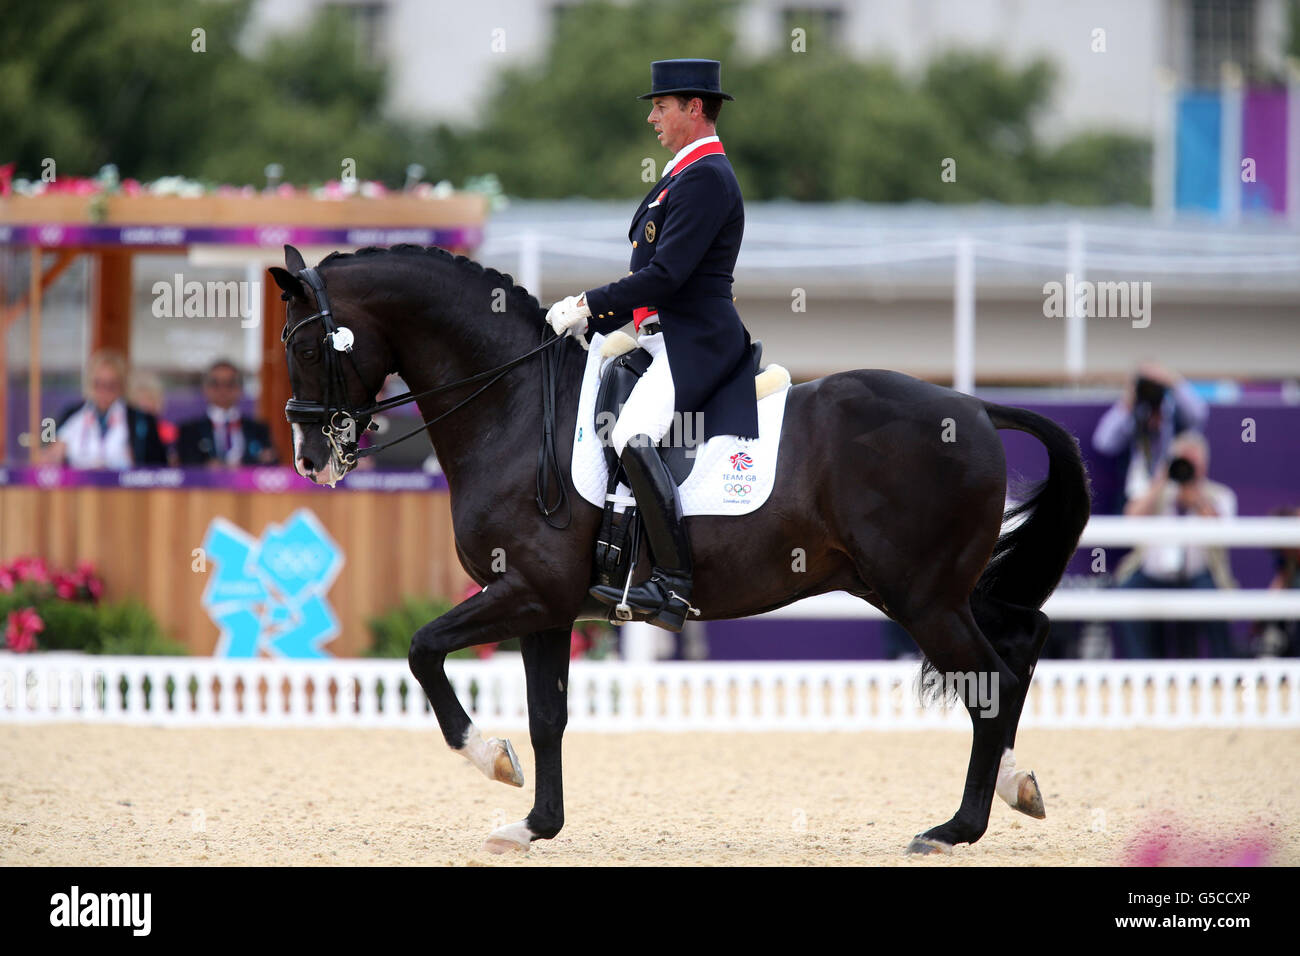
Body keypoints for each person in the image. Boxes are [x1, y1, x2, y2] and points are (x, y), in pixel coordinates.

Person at [545, 58, 759, 631]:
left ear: (694, 109)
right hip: (661, 336)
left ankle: (673, 584)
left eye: (661, 107)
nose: (652, 118)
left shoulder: (708, 176)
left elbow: (666, 277)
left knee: (632, 431)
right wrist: (607, 323)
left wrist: (588, 302)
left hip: (698, 340)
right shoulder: (682, 175)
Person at [1111, 431, 1237, 658]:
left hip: (1199, 576)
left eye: (1191, 463)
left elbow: (1223, 531)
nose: (1185, 468)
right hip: (1152, 576)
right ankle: (1140, 670)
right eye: (1181, 461)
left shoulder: (1219, 495)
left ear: (1204, 466)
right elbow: (1131, 516)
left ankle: (1225, 669)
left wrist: (1196, 499)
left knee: (1219, 603)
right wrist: (1161, 481)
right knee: (1124, 593)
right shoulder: (1158, 492)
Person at [1092, 360, 1208, 513]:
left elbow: (1199, 414)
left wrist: (1173, 380)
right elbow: (1103, 442)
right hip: (1137, 499)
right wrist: (1129, 400)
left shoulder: (1174, 412)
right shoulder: (1133, 416)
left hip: (1173, 496)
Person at [46, 349, 168, 468]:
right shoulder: (71, 415)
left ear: (122, 386)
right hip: (79, 485)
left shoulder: (141, 420)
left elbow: (158, 469)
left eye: (111, 385)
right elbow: (49, 457)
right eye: (98, 384)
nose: (103, 392)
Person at [177, 360, 277, 467]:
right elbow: (185, 465)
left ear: (240, 389)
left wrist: (242, 465)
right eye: (215, 384)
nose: (223, 390)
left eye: (230, 384)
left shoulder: (258, 429)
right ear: (205, 388)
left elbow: (272, 462)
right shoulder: (189, 431)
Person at [128, 370, 179, 466]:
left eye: (150, 398)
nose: (146, 404)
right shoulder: (126, 431)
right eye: (140, 400)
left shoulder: (170, 431)